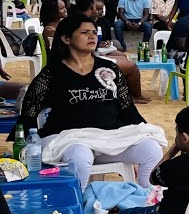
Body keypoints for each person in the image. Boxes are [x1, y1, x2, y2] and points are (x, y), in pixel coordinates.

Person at [18, 13, 165, 188]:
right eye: (84, 32)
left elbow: (127, 108)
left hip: (109, 137)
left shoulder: (110, 69)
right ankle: (80, 208)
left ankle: (145, 203)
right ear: (66, 38)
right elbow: (29, 110)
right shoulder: (51, 74)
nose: (92, 36)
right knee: (80, 156)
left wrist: (141, 130)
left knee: (151, 149)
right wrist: (24, 144)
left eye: (94, 32)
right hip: (70, 139)